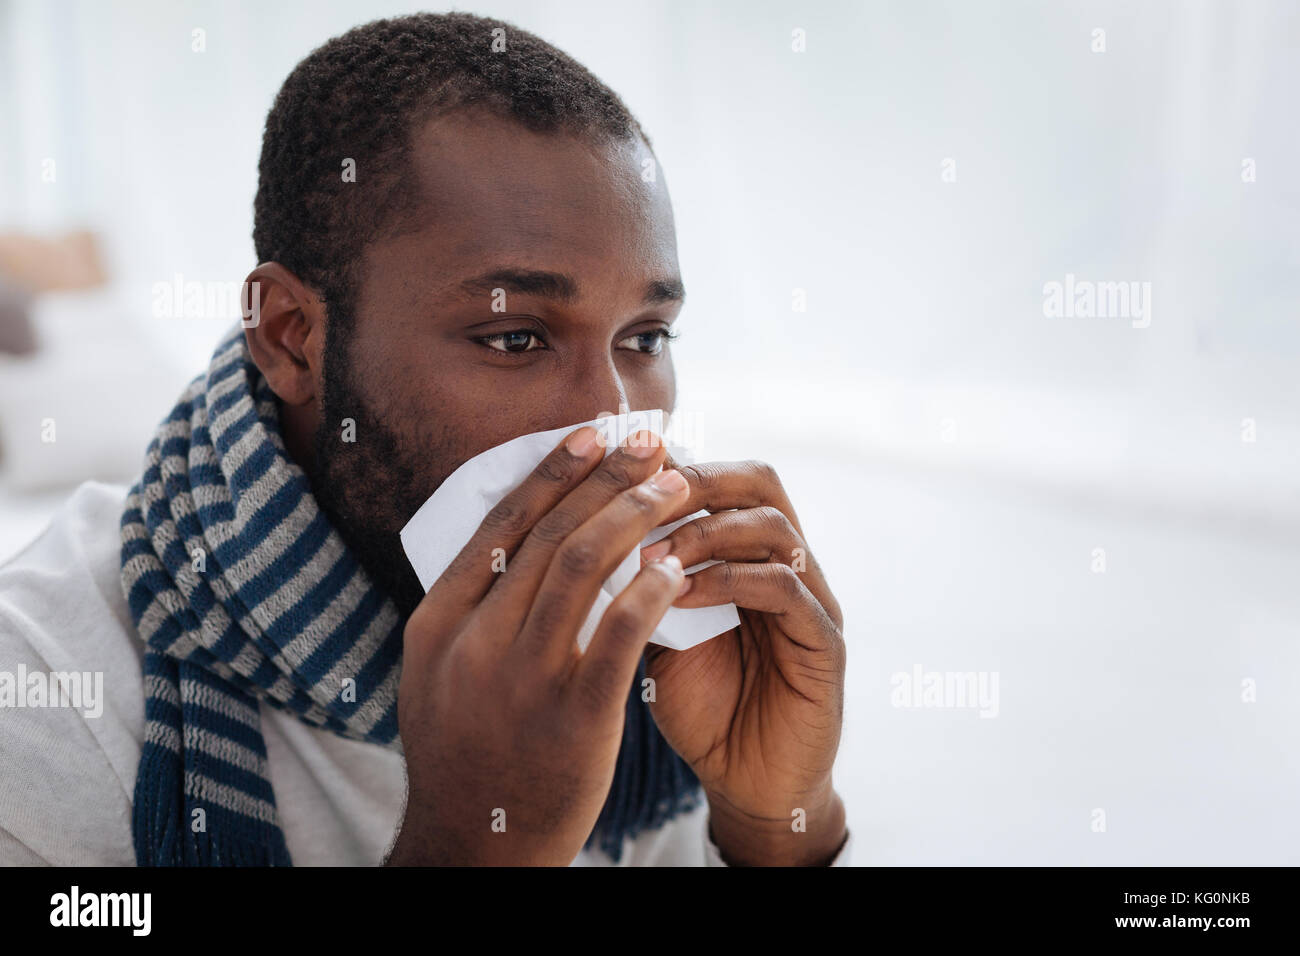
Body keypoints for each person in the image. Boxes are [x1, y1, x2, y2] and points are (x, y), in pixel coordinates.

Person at [0, 11, 849, 866]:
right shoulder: (37, 706)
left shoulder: (652, 673)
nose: (613, 423)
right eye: (515, 336)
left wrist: (777, 826)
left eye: (646, 338)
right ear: (293, 335)